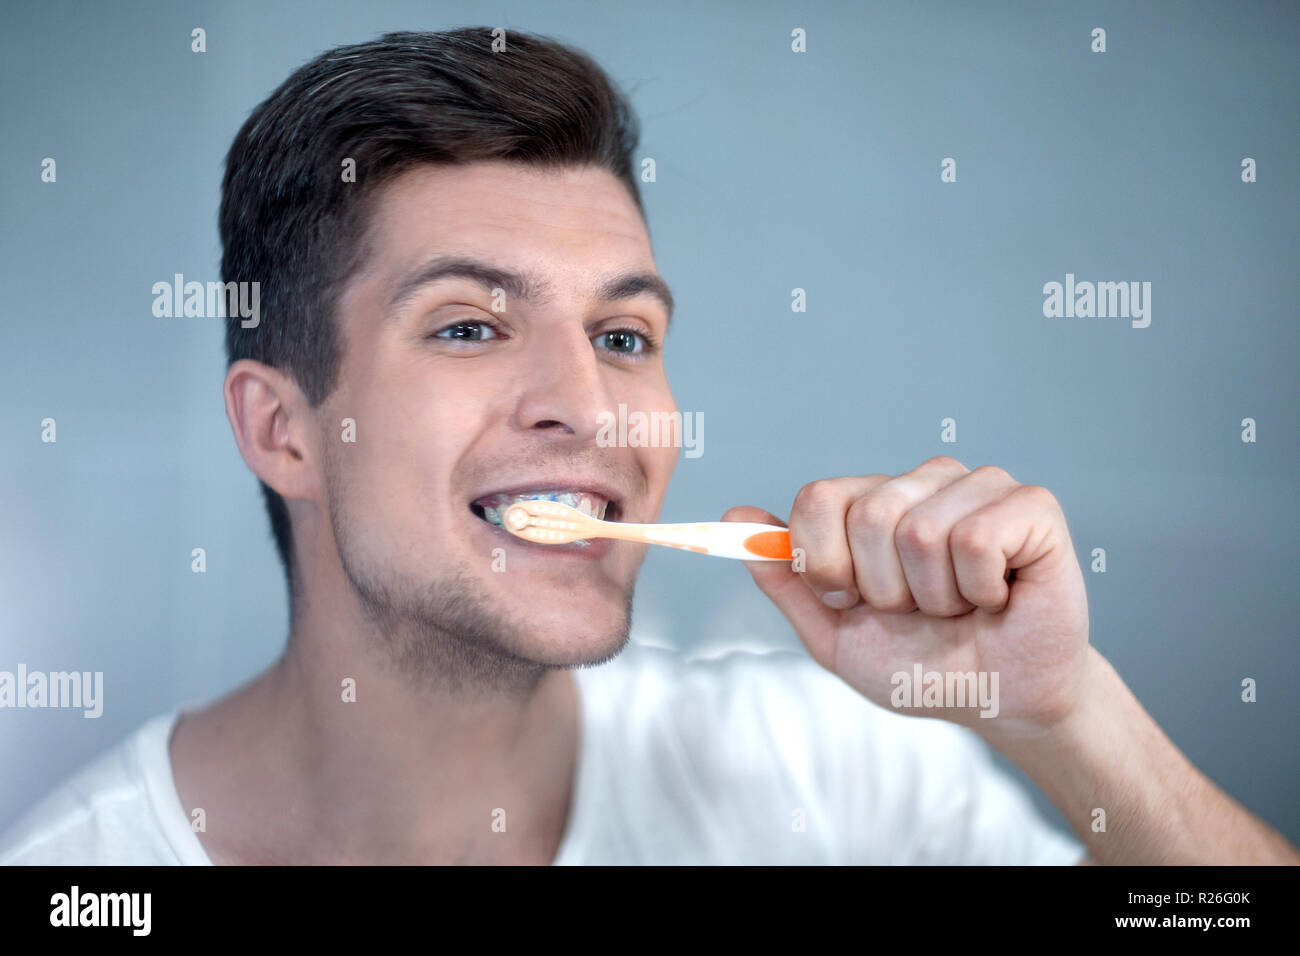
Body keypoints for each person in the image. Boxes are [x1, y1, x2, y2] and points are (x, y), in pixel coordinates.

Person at [2, 28, 1295, 866]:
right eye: (467, 326)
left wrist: (1067, 718)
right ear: (283, 430)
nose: (591, 405)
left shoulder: (827, 771)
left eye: (624, 337)